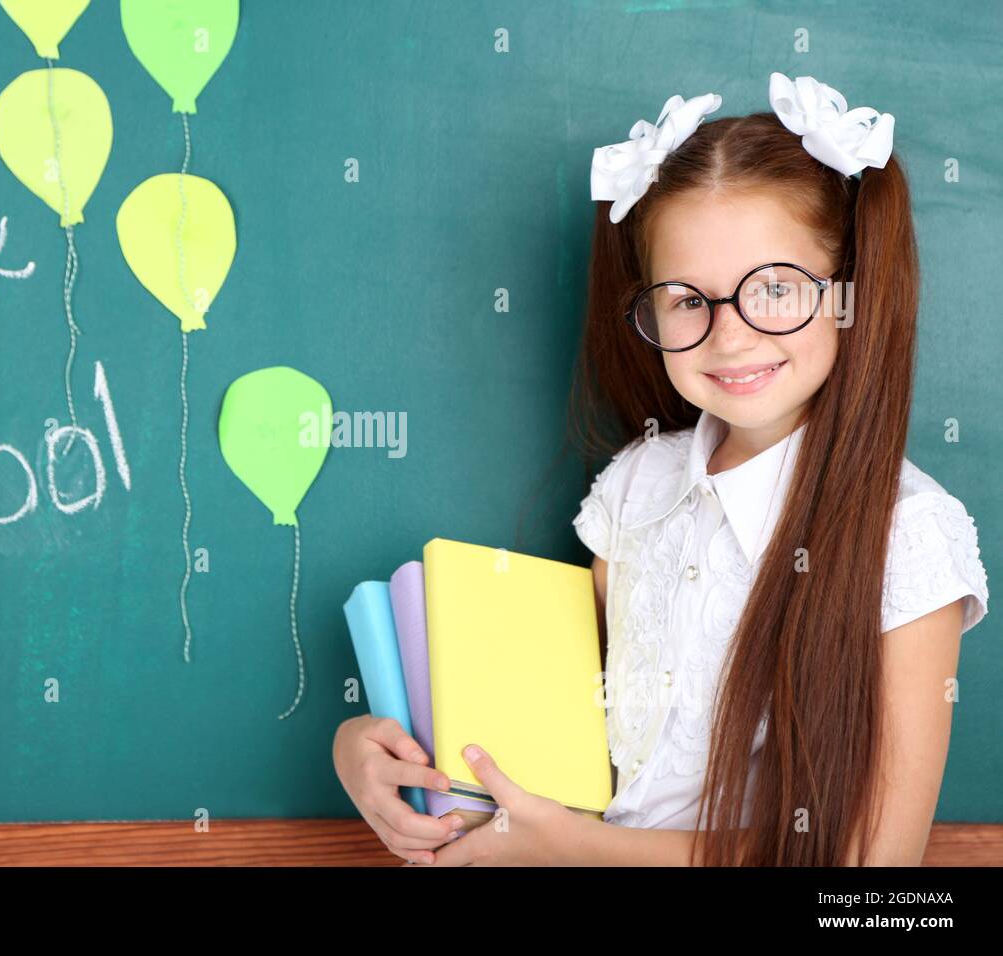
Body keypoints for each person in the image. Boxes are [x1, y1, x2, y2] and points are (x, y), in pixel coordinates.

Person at [332, 72, 989, 866]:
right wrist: (366, 751)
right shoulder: (637, 486)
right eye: (686, 299)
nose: (732, 336)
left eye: (776, 289)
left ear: (848, 294)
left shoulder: (910, 535)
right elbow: (568, 745)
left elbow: (870, 871)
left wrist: (576, 849)